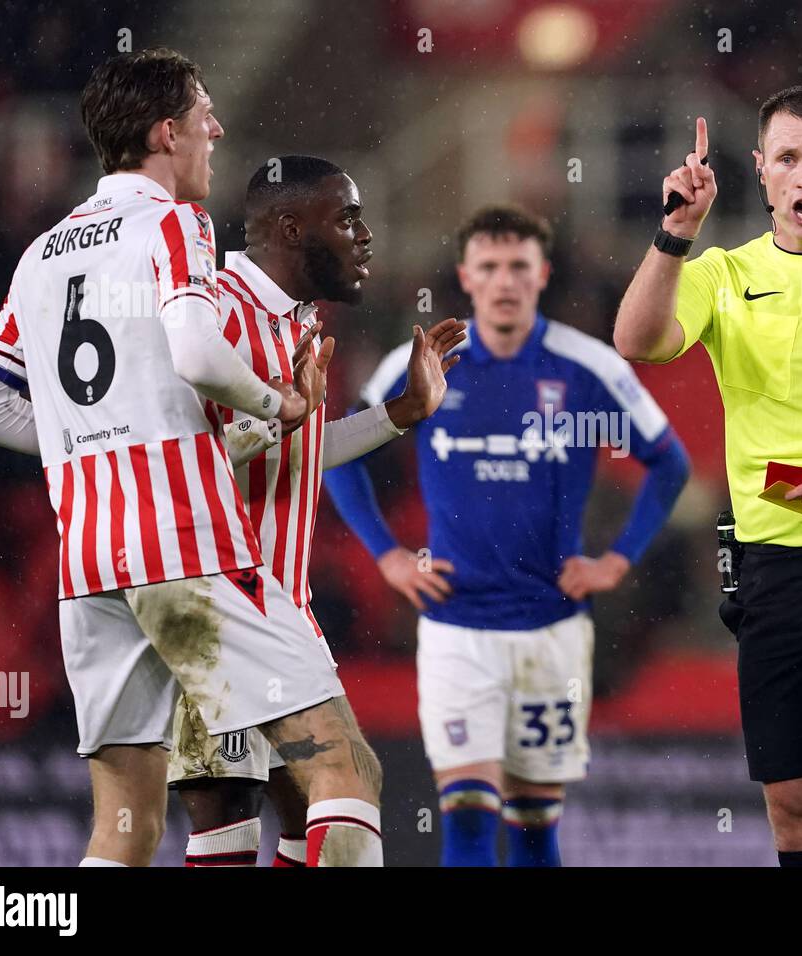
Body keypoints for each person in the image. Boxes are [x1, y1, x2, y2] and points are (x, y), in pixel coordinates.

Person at [0, 49, 381, 866]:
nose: (215, 130)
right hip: (187, 548)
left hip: (89, 566)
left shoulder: (41, 254)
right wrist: (278, 401)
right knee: (343, 771)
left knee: (124, 828)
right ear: (165, 132)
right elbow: (194, 348)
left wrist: (100, 436)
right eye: (203, 115)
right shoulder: (173, 224)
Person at [325, 204, 690, 866]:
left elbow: (670, 462)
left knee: (533, 827)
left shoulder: (586, 366)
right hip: (456, 629)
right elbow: (339, 452)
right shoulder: (427, 365)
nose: (503, 281)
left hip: (552, 628)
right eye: (488, 266)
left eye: (518, 266)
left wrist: (616, 561)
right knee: (466, 820)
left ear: (541, 273)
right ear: (466, 274)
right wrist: (387, 557)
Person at [613, 86, 802, 866]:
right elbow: (635, 339)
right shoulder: (722, 273)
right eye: (790, 159)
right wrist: (674, 233)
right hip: (779, 563)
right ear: (762, 172)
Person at [166, 155, 466, 867]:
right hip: (231, 599)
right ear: (290, 226)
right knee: (349, 780)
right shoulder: (215, 315)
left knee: (244, 826)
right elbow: (173, 465)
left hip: (231, 603)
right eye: (348, 217)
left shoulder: (293, 318)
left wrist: (397, 414)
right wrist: (272, 418)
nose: (365, 235)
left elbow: (291, 451)